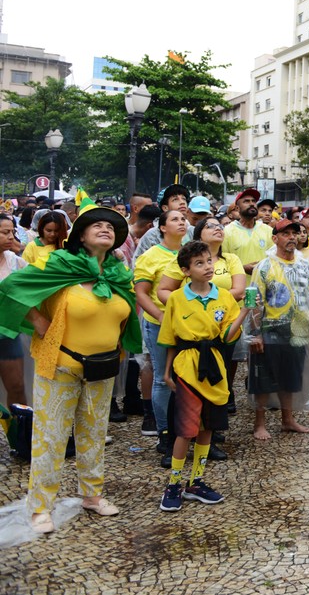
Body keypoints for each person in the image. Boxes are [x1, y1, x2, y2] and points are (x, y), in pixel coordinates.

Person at [0, 191, 139, 533]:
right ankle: (40, 507)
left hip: (102, 367)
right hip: (60, 366)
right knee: (51, 437)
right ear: (79, 235)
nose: (106, 229)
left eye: (112, 227)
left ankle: (92, 495)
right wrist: (39, 322)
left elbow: (125, 316)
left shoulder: (119, 275)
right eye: (98, 225)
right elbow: (12, 289)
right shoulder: (59, 264)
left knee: (94, 433)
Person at [158, 240, 245, 512]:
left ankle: (196, 482)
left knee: (208, 426)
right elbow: (171, 337)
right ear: (186, 270)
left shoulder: (223, 296)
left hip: (214, 364)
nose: (207, 267)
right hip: (187, 366)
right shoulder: (176, 298)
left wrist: (245, 313)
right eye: (199, 263)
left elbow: (226, 336)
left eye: (209, 261)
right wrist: (167, 370)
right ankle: (173, 483)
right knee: (186, 429)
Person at [247, 219, 309, 440]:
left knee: (291, 377)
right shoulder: (264, 267)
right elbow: (254, 301)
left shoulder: (304, 266)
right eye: (286, 233)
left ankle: (288, 420)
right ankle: (259, 424)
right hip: (271, 328)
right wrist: (255, 333)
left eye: (294, 233)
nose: (292, 237)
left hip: (299, 330)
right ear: (275, 239)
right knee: (263, 378)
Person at [134, 208, 191, 453]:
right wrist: (160, 316)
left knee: (186, 378)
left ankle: (186, 431)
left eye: (183, 219)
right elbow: (141, 292)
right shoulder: (151, 255)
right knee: (162, 378)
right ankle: (164, 433)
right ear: (162, 228)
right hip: (158, 323)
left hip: (188, 326)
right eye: (175, 219)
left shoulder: (190, 253)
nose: (181, 222)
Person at [0, 214, 30, 407]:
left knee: (17, 386)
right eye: (5, 232)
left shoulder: (15, 262)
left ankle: (19, 434)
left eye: (13, 231)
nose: (11, 237)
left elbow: (35, 286)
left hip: (8, 335)